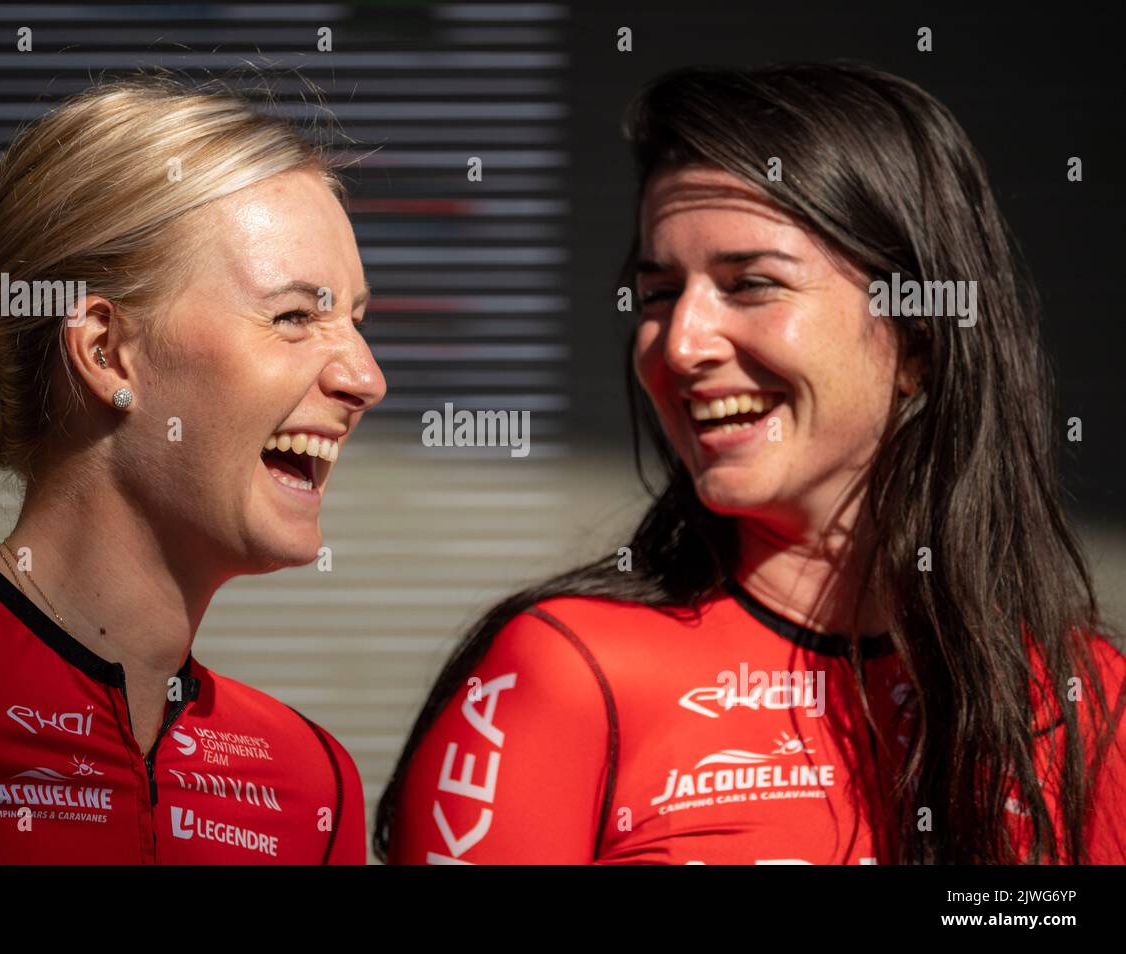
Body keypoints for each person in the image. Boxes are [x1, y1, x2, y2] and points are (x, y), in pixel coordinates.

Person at [376, 63, 1126, 865]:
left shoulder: (1085, 698)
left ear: (918, 337)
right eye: (660, 293)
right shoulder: (561, 674)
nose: (682, 343)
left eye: (752, 284)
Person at [0, 75, 385, 863]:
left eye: (356, 321)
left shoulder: (312, 784)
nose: (366, 378)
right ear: (103, 350)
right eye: (295, 317)